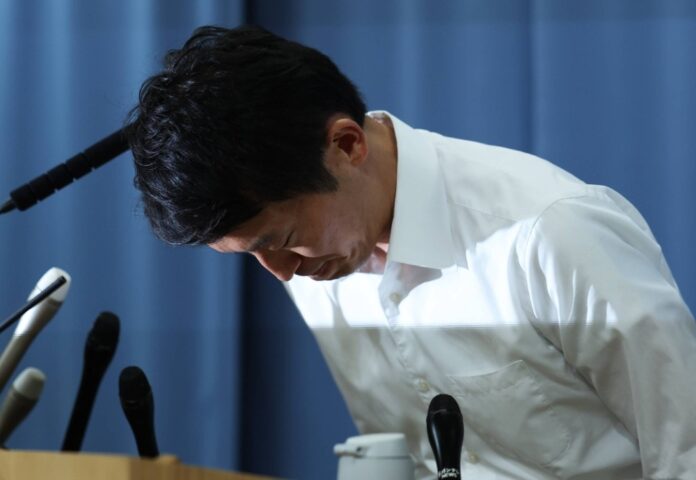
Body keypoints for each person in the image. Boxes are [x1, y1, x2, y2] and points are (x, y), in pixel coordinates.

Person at [127, 25, 696, 479]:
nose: (280, 273)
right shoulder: (321, 265)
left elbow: (686, 452)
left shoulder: (548, 232)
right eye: (250, 255)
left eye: (277, 240)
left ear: (346, 146)